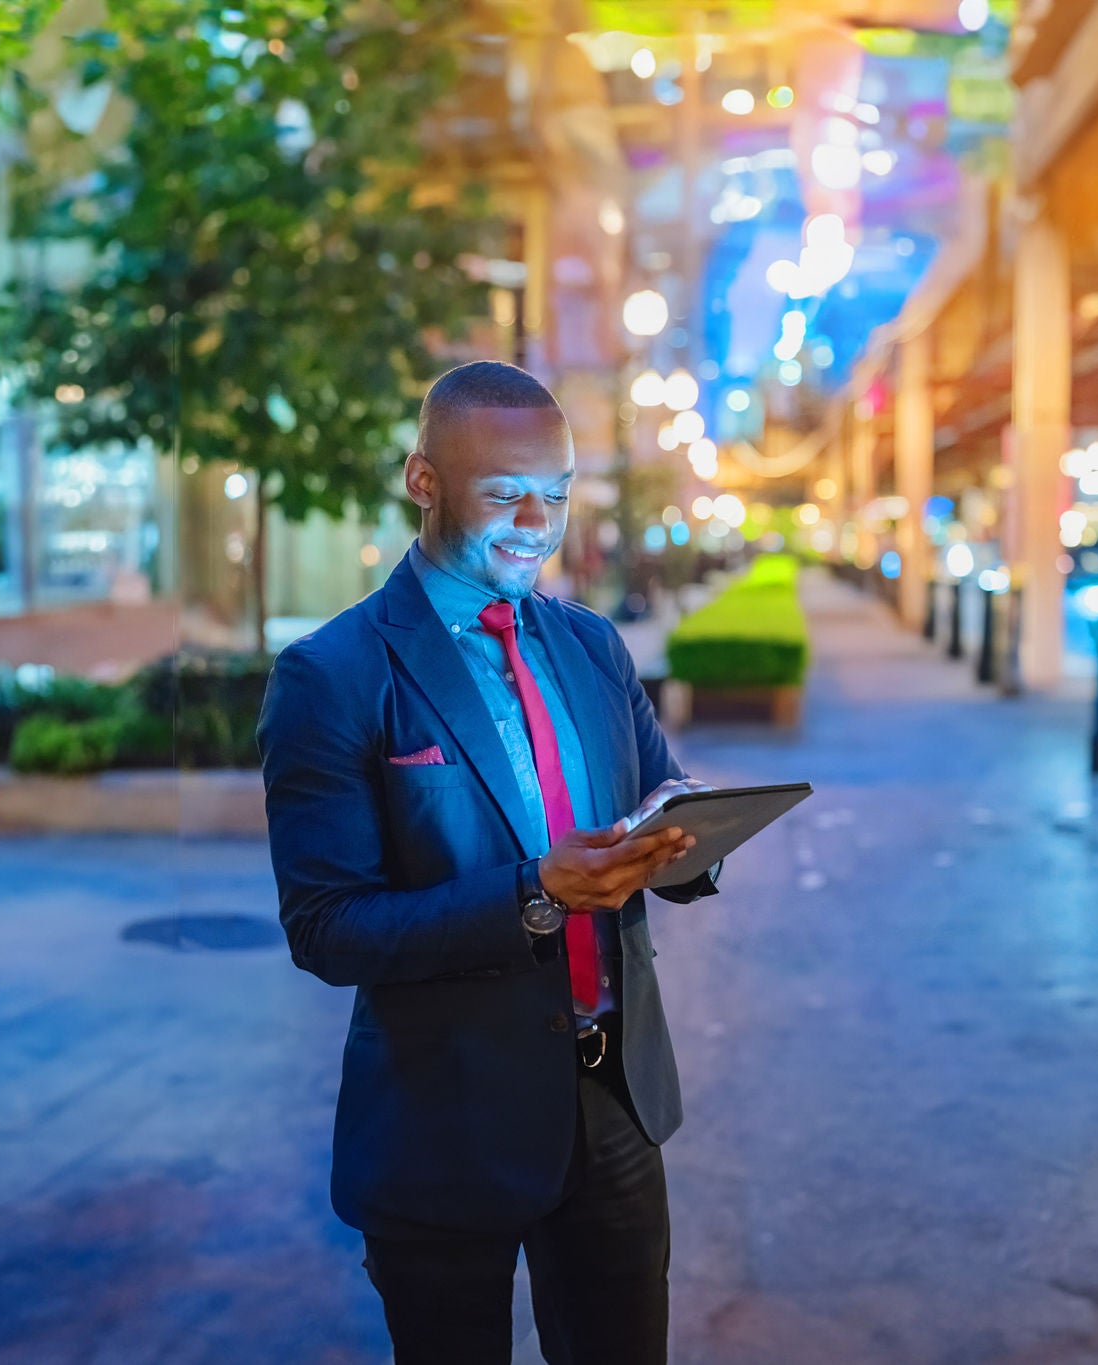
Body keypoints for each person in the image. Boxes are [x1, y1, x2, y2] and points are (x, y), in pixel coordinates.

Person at [257, 360, 722, 1365]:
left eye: (553, 495)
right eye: (503, 494)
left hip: (613, 1104)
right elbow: (328, 929)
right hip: (445, 1120)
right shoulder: (332, 675)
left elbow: (660, 804)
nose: (535, 522)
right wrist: (535, 895)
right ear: (423, 481)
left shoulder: (591, 646)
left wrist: (690, 850)